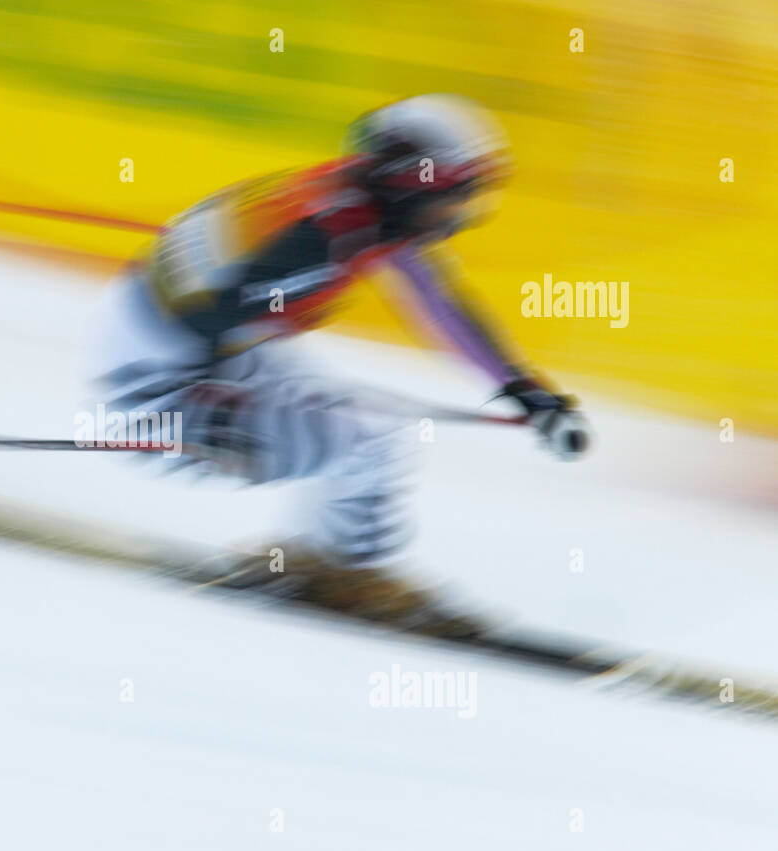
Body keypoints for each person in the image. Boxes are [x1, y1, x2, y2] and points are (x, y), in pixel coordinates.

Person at [89, 93, 590, 636]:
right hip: (164, 390)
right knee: (370, 438)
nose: (461, 216)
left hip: (188, 354)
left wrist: (525, 388)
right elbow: (215, 310)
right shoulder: (327, 233)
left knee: (361, 428)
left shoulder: (357, 207)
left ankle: (323, 562)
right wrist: (208, 417)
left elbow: (444, 305)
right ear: (412, 184)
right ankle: (344, 572)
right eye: (457, 197)